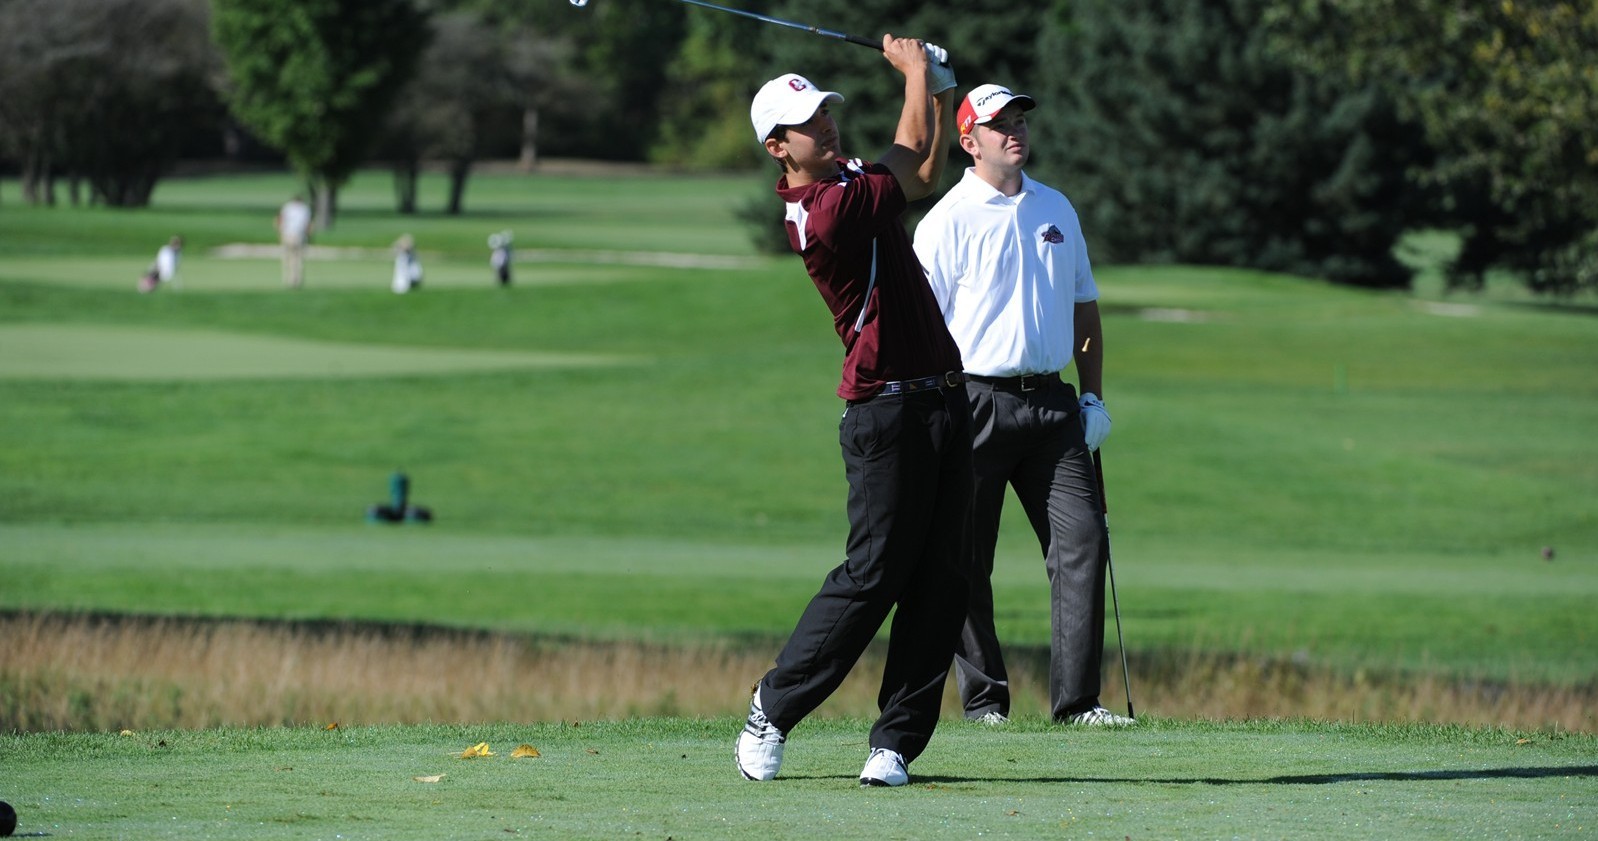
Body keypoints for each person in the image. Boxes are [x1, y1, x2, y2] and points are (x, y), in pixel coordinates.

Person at [735, 36, 969, 789]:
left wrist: (939, 90)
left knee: (942, 577)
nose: (826, 126)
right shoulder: (822, 212)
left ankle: (894, 743)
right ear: (778, 148)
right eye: (808, 123)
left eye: (826, 113)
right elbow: (908, 150)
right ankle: (774, 706)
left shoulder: (851, 178)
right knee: (874, 574)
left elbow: (922, 172)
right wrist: (913, 72)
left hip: (944, 397)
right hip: (883, 412)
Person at [913, 84, 1131, 728]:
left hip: (1053, 408)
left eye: (1019, 121)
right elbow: (922, 329)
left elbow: (1084, 307)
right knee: (964, 556)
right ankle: (985, 702)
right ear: (969, 141)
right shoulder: (947, 220)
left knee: (1084, 540)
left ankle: (1078, 704)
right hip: (973, 402)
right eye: (998, 124)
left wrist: (1092, 394)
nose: (1015, 131)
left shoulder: (1055, 206)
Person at [276, 194, 312, 289]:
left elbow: (279, 220)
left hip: (287, 234)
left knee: (287, 258)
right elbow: (308, 225)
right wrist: (309, 236)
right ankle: (296, 281)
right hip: (299, 236)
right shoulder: (304, 209)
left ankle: (287, 280)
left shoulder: (287, 207)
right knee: (298, 259)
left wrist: (280, 232)